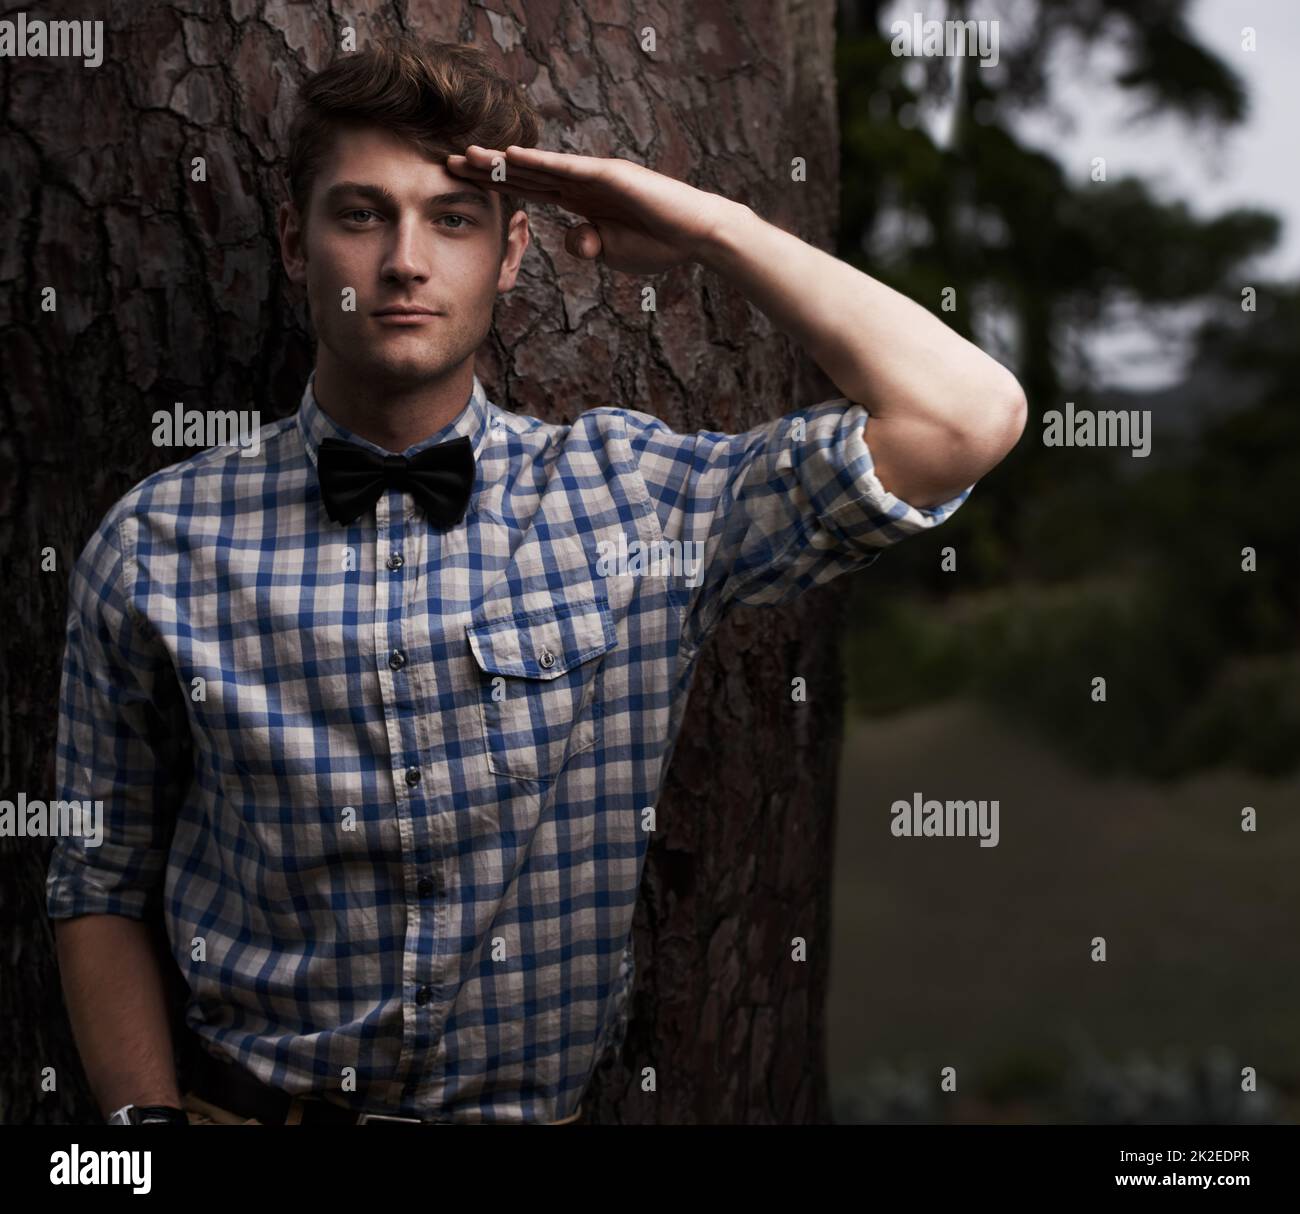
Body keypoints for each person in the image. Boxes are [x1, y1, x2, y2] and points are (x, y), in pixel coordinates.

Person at [46, 36, 1026, 1126]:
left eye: (454, 219)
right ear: (295, 239)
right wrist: (142, 1127)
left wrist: (716, 229)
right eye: (362, 213)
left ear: (512, 254)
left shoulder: (634, 501)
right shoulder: (157, 541)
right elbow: (96, 877)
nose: (406, 260)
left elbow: (963, 416)